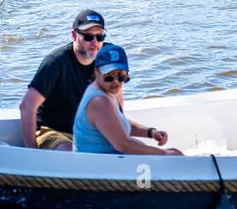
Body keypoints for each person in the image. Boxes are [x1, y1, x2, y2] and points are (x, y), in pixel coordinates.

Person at [19, 9, 108, 151]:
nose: (95, 42)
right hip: (52, 131)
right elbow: (27, 106)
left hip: (85, 132)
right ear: (74, 35)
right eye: (88, 37)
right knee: (69, 151)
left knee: (128, 147)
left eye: (100, 37)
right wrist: (33, 154)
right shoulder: (56, 62)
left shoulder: (106, 59)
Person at [71, 44, 183, 156]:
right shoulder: (99, 101)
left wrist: (150, 132)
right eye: (109, 76)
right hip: (96, 164)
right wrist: (164, 153)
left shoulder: (113, 92)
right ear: (97, 72)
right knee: (174, 156)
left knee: (175, 154)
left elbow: (117, 124)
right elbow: (122, 144)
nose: (115, 82)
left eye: (121, 76)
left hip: (114, 158)